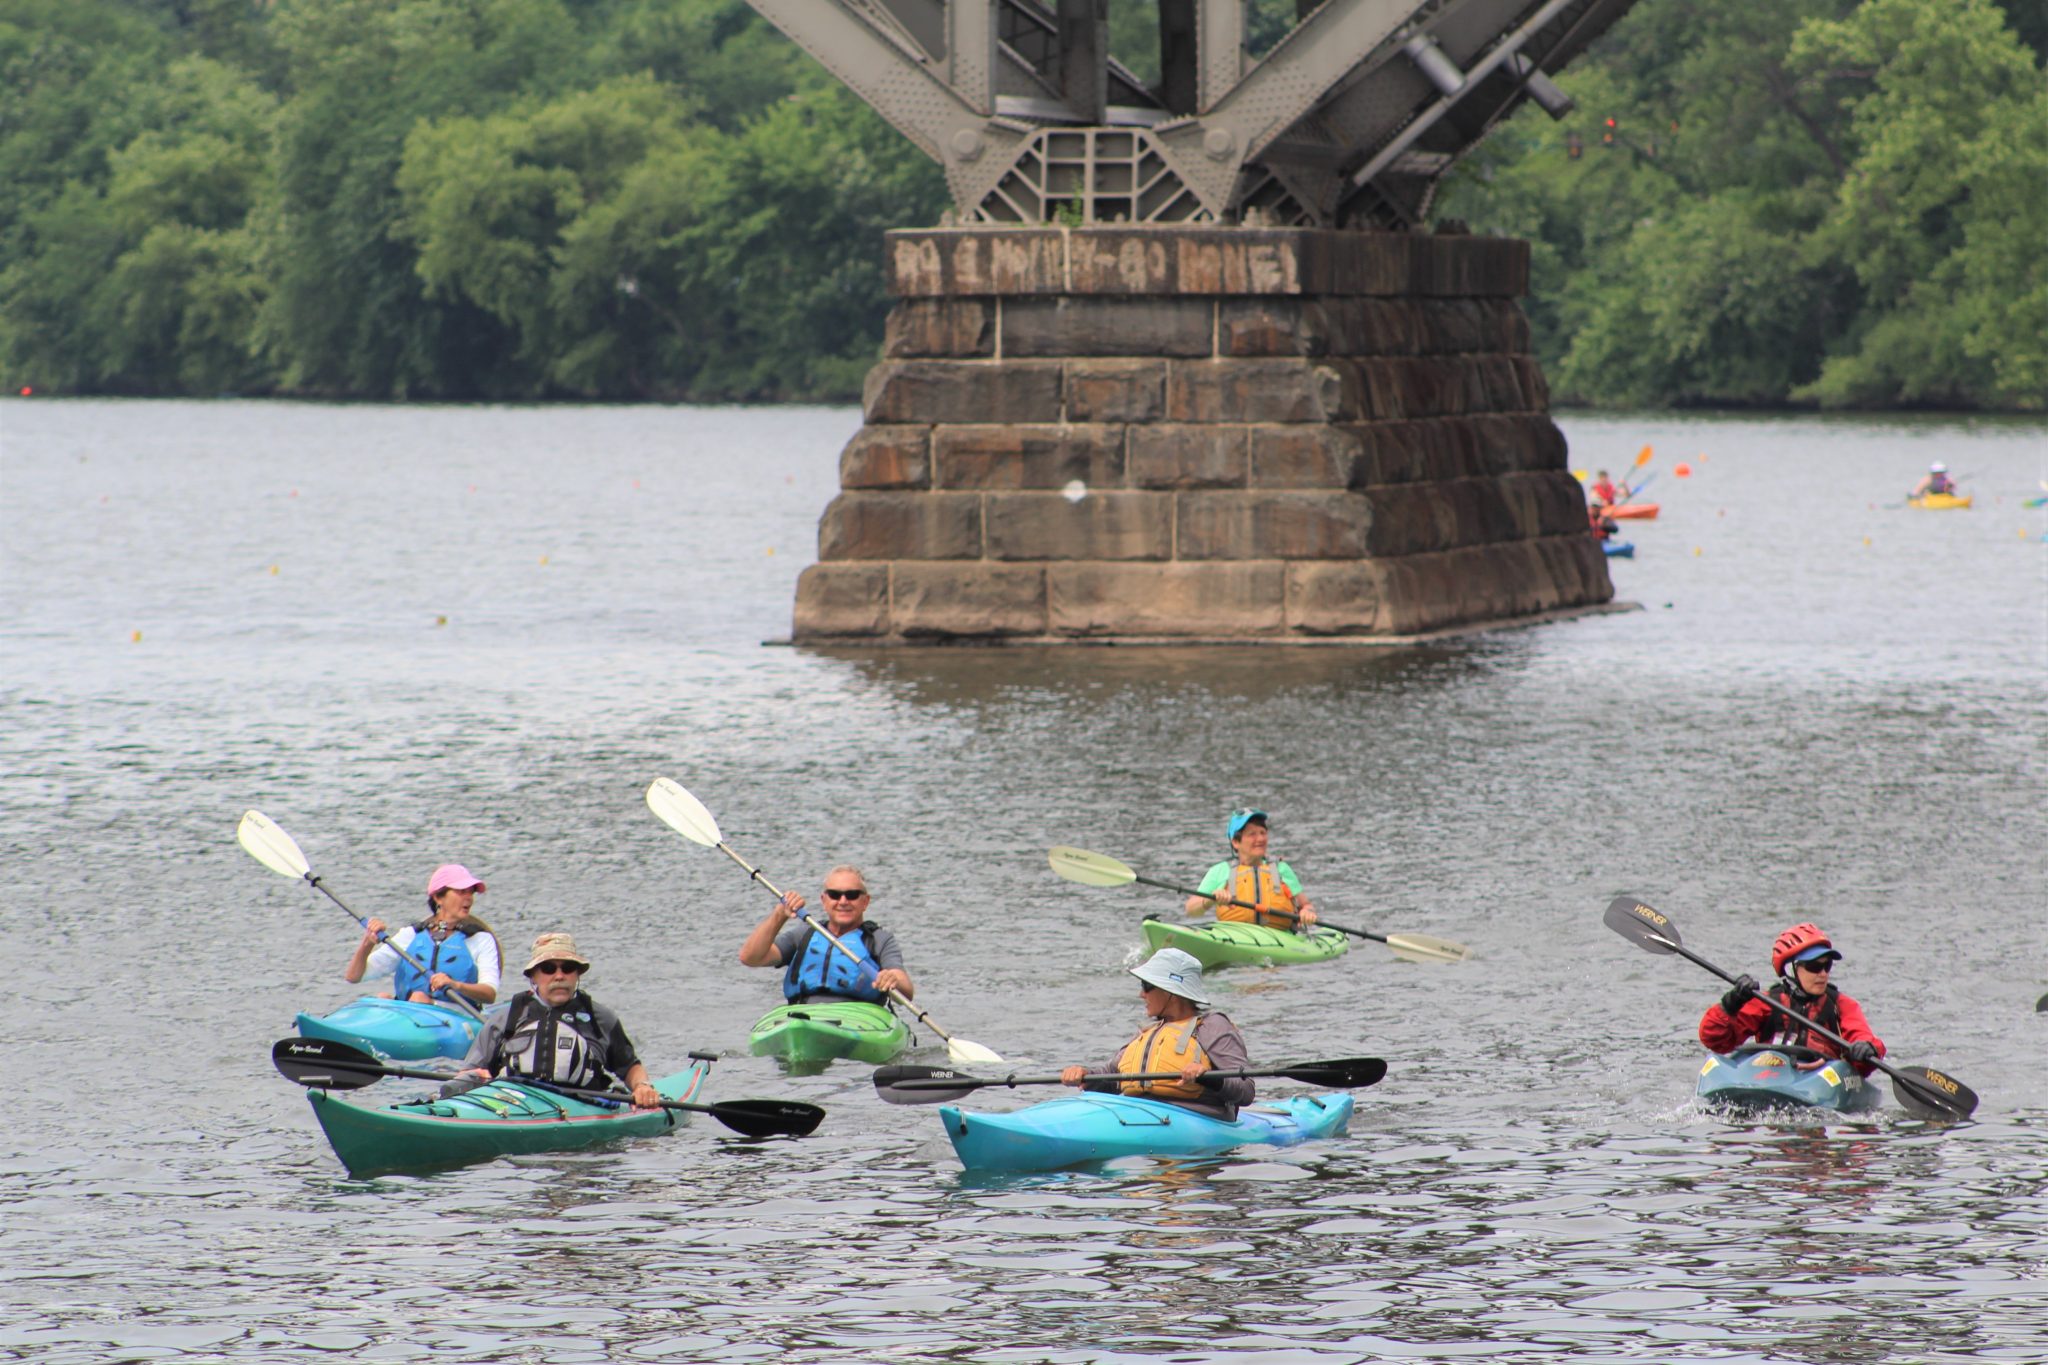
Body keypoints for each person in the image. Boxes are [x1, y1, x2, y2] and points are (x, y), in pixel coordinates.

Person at [446, 932, 661, 1107]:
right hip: (514, 1104)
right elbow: (469, 1071)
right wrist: (473, 1078)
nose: (559, 976)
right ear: (533, 976)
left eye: (567, 968)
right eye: (549, 968)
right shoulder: (505, 1019)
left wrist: (642, 1086)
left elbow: (630, 1066)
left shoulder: (601, 1019)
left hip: (583, 1106)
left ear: (577, 975)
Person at [1059, 947, 1254, 1121]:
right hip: (1142, 1115)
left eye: (1146, 985)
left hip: (1193, 1119)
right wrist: (1084, 1075)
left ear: (1171, 991)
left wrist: (1207, 1076)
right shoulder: (1148, 1033)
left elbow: (1245, 1091)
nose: (1141, 994)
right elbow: (1110, 1077)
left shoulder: (1212, 1026)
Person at [1698, 922, 1887, 1075]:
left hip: (1820, 1079)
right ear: (1791, 969)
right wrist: (1731, 1003)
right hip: (1768, 1076)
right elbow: (1716, 1041)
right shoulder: (1766, 1003)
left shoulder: (1842, 1005)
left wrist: (1867, 1048)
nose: (1822, 974)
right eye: (1814, 966)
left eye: (1827, 966)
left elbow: (1862, 1038)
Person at [737, 865, 914, 1003]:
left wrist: (891, 979)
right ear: (824, 900)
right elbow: (750, 957)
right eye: (835, 895)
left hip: (860, 1019)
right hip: (803, 1016)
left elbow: (906, 989)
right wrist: (779, 915)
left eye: (852, 895)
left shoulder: (879, 940)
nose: (843, 902)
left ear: (865, 902)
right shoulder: (804, 934)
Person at [342, 863, 501, 1008]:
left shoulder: (480, 939)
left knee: (419, 998)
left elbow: (489, 994)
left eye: (471, 892)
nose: (469, 897)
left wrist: (455, 985)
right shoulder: (410, 935)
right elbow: (353, 976)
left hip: (458, 1020)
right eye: (461, 891)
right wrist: (368, 943)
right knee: (383, 997)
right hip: (412, 1013)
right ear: (438, 897)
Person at [1183, 809, 1317, 929]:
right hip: (1235, 935)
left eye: (1263, 833)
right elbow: (1191, 910)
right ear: (1235, 842)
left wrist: (1307, 913)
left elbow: (1305, 905)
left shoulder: (1281, 868)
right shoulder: (1220, 871)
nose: (1260, 839)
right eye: (1252, 834)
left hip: (1279, 937)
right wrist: (1211, 899)